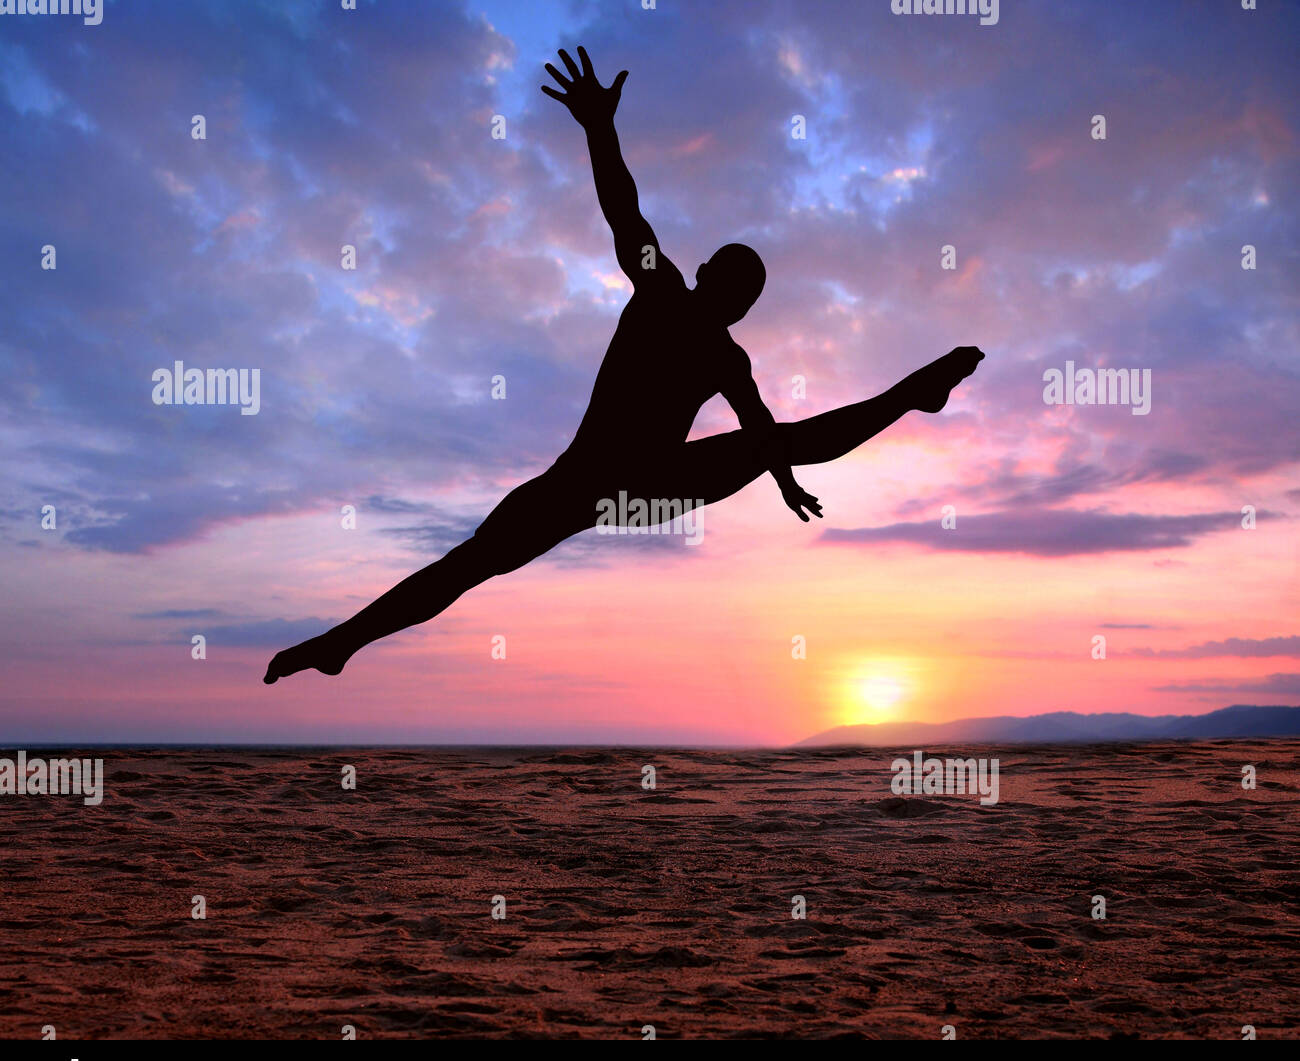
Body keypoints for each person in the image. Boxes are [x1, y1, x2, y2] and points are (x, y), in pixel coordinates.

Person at [264, 47, 983, 684]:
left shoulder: (726, 354)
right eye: (732, 285)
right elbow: (624, 211)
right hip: (583, 483)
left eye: (745, 298)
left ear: (743, 309)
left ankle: (912, 394)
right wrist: (598, 128)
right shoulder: (662, 289)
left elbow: (764, 428)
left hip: (648, 484)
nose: (734, 302)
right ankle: (342, 642)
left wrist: (786, 480)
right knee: (471, 561)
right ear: (704, 274)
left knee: (787, 438)